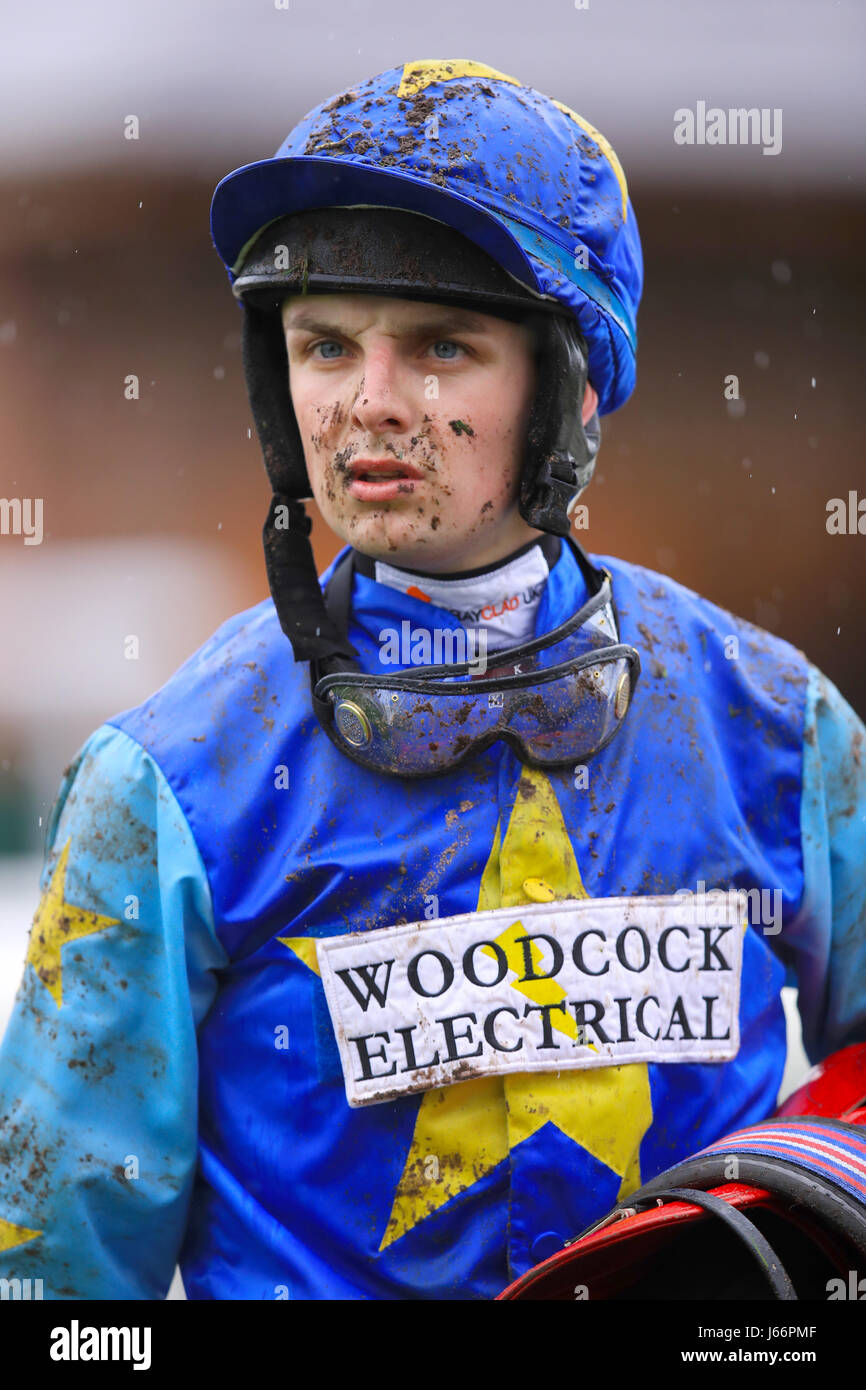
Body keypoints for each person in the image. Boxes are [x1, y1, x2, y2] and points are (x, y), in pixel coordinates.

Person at [1, 58, 864, 1302]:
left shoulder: (775, 728)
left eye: (441, 349)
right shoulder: (167, 782)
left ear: (569, 386)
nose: (367, 405)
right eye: (323, 345)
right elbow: (61, 1290)